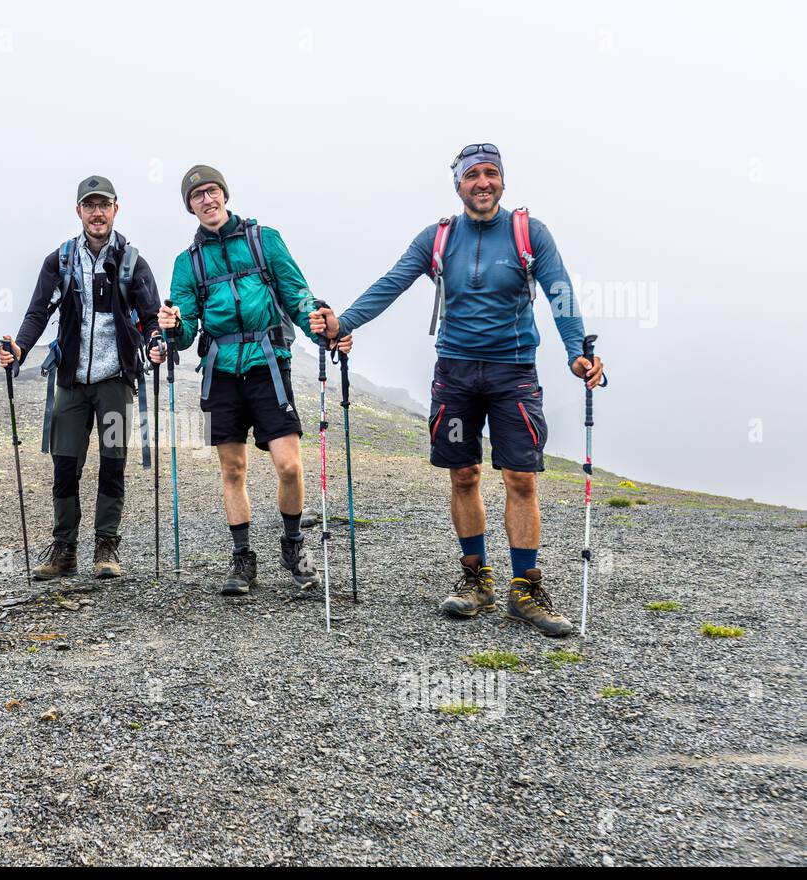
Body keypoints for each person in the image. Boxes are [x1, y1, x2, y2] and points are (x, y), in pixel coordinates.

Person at [310, 144, 605, 636]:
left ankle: (525, 587)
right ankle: (476, 580)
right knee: (463, 475)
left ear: (503, 182)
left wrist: (577, 349)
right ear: (458, 185)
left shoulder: (529, 233)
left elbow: (560, 292)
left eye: (491, 174)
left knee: (522, 479)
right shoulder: (438, 238)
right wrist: (344, 320)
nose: (483, 183)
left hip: (514, 373)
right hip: (455, 374)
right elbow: (392, 283)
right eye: (473, 175)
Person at [157, 164, 352, 596]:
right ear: (190, 206)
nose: (207, 200)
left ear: (224, 194)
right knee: (233, 469)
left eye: (212, 191)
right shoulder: (187, 263)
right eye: (197, 196)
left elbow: (296, 294)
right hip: (220, 371)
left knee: (289, 465)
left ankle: (293, 543)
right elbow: (187, 332)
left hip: (268, 364)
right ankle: (243, 559)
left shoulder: (265, 241)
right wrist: (173, 326)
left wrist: (318, 325)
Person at [0, 175, 162, 579]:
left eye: (103, 204)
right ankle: (64, 550)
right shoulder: (60, 260)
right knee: (64, 465)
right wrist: (19, 348)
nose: (97, 213)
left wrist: (157, 342)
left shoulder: (132, 261)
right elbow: (39, 312)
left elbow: (150, 317)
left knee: (112, 463)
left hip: (116, 379)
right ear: (78, 212)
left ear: (115, 209)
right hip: (71, 382)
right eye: (89, 205)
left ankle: (106, 548)